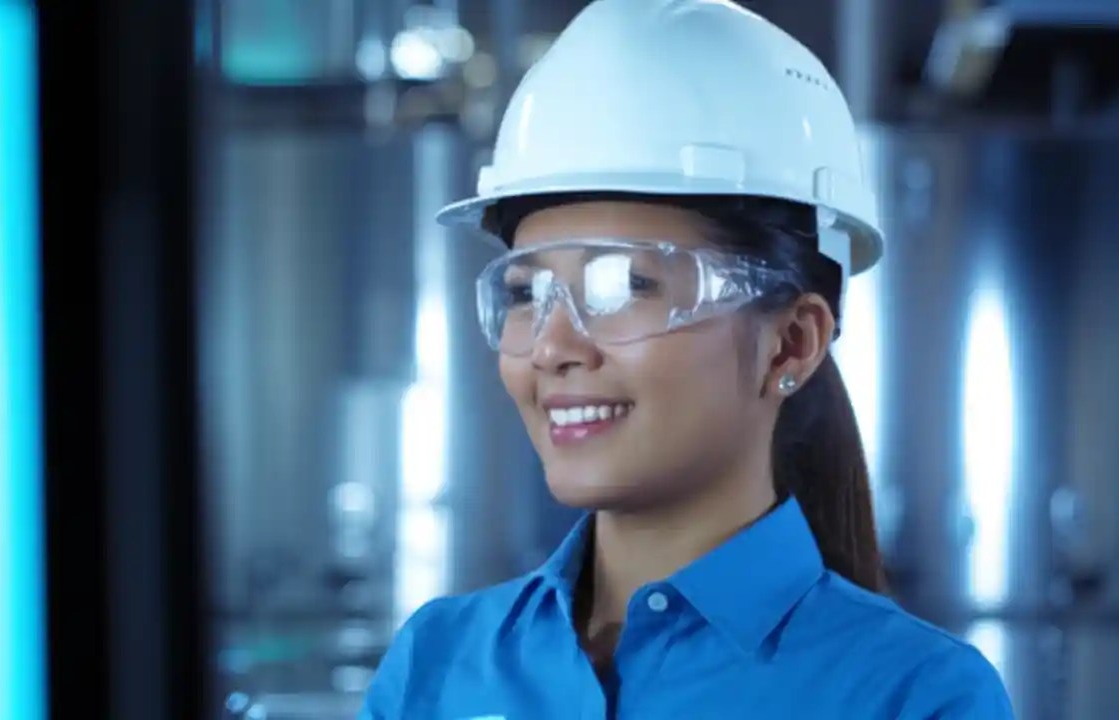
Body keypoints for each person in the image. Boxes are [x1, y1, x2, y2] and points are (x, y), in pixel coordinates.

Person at [359, 0, 1015, 717]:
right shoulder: (438, 662)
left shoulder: (913, 694)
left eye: (624, 287)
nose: (552, 346)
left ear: (790, 343)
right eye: (526, 293)